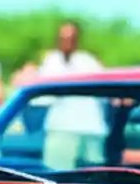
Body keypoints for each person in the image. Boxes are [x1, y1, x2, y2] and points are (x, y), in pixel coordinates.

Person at [37, 21, 105, 169]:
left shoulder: (89, 62)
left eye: (71, 38)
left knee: (94, 177)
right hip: (61, 129)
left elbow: (104, 91)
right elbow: (42, 97)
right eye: (63, 38)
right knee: (56, 175)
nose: (67, 42)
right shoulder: (50, 61)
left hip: (91, 129)